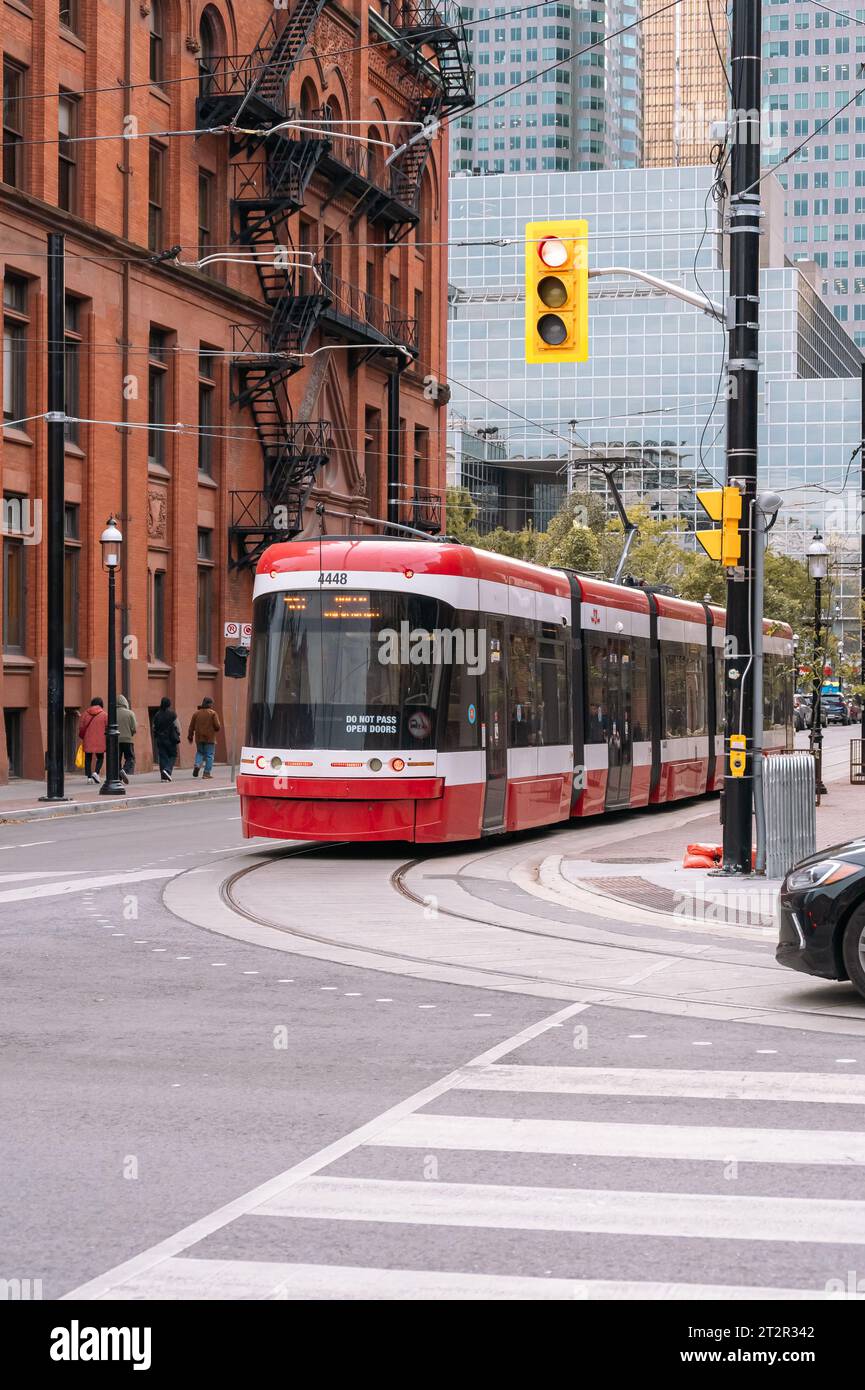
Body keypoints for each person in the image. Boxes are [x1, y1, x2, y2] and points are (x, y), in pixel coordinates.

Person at [188, 696, 221, 779]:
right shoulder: (213, 713)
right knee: (209, 755)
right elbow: (217, 726)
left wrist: (190, 736)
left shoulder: (196, 713)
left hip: (199, 738)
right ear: (210, 704)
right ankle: (206, 773)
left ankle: (197, 765)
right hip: (210, 738)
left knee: (200, 752)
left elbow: (191, 727)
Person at [78, 698, 107, 784]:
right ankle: (96, 772)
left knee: (88, 758)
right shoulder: (104, 715)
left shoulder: (85, 714)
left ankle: (89, 777)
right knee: (100, 757)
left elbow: (81, 727)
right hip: (100, 740)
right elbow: (108, 728)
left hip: (88, 739)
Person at [152, 696, 181, 782]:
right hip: (171, 739)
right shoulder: (172, 714)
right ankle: (167, 770)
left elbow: (153, 727)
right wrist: (178, 734)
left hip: (160, 739)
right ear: (169, 704)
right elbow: (177, 726)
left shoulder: (157, 714)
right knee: (173, 755)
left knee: (163, 757)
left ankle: (163, 777)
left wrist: (156, 735)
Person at [116, 695, 137, 784]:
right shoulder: (130, 713)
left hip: (115, 740)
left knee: (116, 759)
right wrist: (130, 733)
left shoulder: (112, 713)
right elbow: (134, 728)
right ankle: (124, 770)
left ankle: (118, 776)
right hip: (127, 739)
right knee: (130, 758)